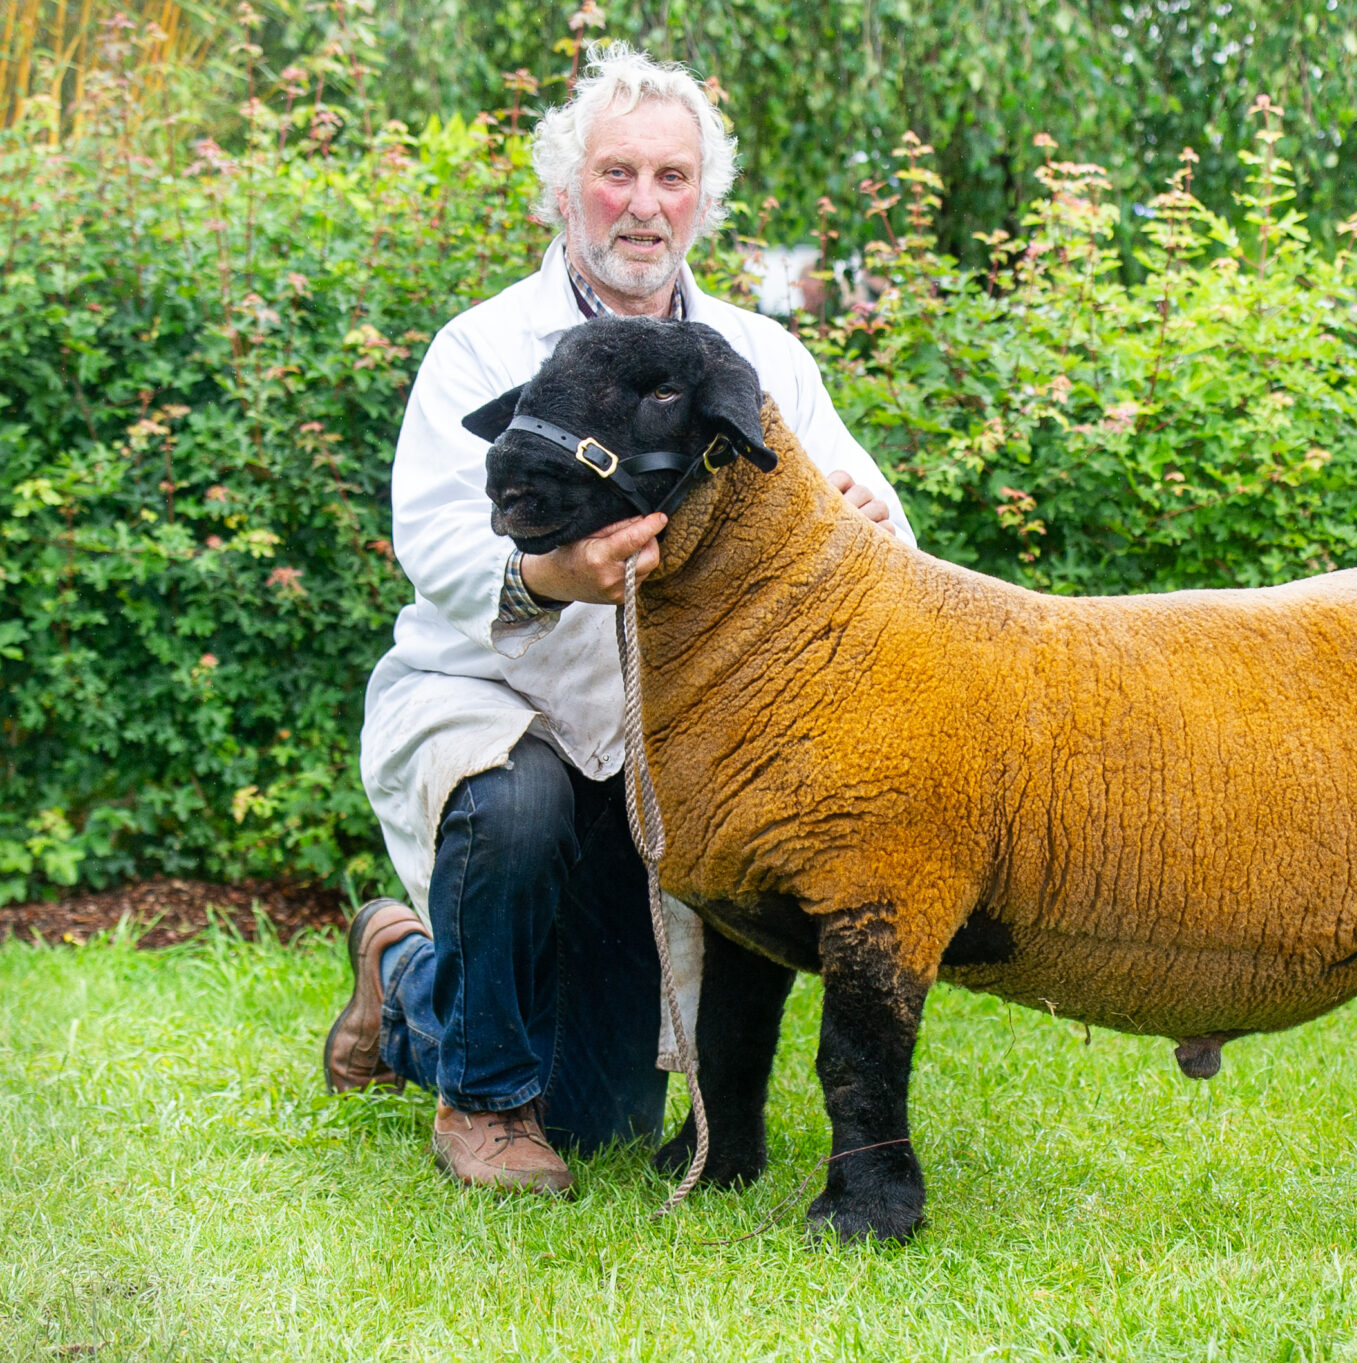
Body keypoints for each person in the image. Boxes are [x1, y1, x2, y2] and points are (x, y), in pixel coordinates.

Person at [321, 43, 913, 1195]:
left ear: (702, 201)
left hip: (666, 760)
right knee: (517, 800)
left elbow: (876, 531)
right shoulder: (480, 349)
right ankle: (479, 1103)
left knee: (596, 1113)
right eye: (617, 174)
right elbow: (437, 542)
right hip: (505, 709)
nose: (644, 206)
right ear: (564, 190)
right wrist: (553, 576)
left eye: (672, 179)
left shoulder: (764, 358)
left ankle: (401, 972)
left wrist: (867, 514)